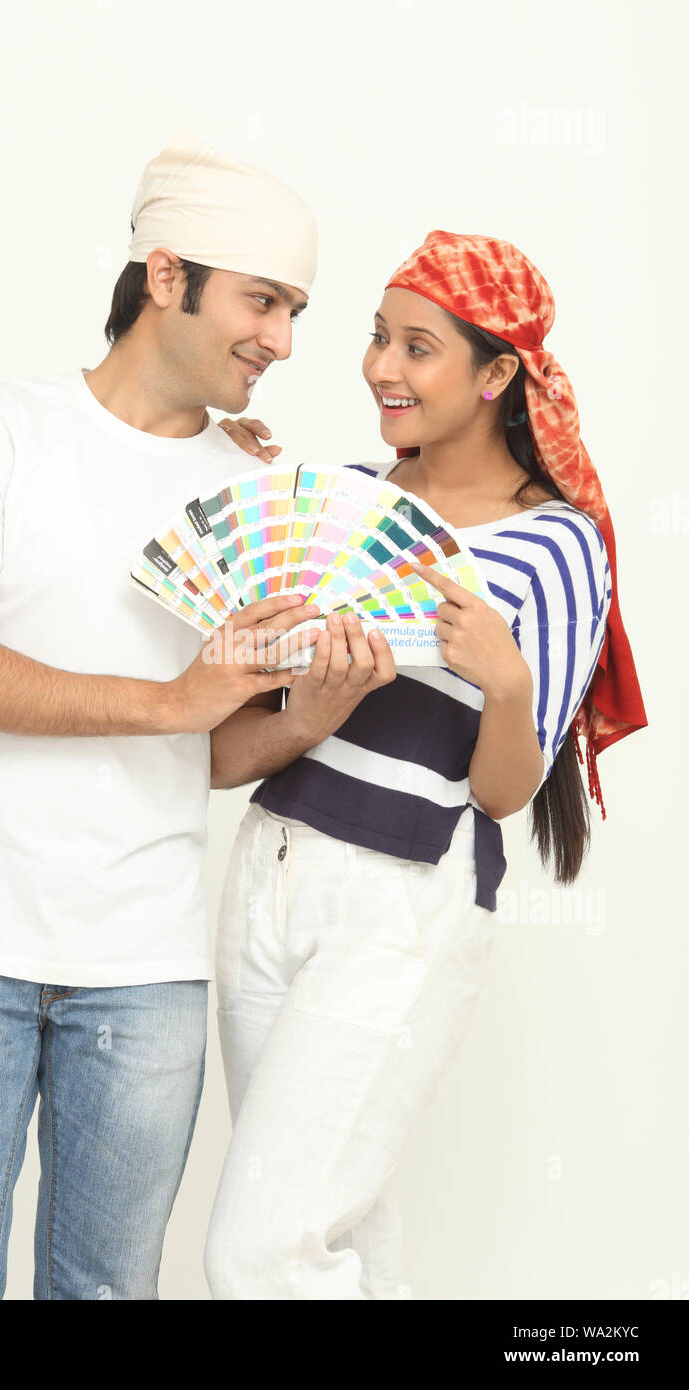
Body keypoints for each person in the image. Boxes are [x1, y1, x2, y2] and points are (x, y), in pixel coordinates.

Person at [0, 128, 341, 1300]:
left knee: (109, 1298)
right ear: (165, 276)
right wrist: (170, 697)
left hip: (145, 967)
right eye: (262, 301)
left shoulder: (252, 489)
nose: (280, 341)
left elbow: (210, 746)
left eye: (294, 313)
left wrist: (305, 716)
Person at [203, 228, 648, 1299]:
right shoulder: (342, 499)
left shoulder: (555, 546)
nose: (379, 369)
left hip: (401, 895)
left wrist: (502, 681)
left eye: (416, 348)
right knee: (338, 1230)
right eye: (374, 339)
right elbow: (231, 736)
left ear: (498, 374)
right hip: (268, 864)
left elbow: (502, 792)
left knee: (261, 1250)